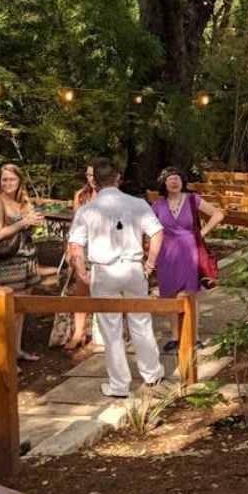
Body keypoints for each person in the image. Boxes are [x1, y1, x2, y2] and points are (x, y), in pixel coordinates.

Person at [67, 157, 165, 398]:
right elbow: (157, 232)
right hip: (133, 268)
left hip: (104, 270)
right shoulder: (137, 204)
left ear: (95, 182)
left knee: (110, 329)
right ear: (118, 177)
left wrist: (82, 272)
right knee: (141, 321)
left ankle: (119, 384)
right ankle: (152, 373)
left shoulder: (87, 210)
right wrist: (150, 263)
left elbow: (75, 246)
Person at [151, 167, 224, 352]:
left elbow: (218, 214)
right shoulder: (158, 205)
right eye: (170, 179)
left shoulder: (193, 200)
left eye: (177, 178)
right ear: (164, 184)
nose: (174, 182)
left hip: (189, 250)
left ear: (182, 182)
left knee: (190, 294)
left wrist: (202, 232)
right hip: (166, 253)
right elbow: (150, 229)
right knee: (170, 295)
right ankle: (175, 336)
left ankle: (193, 335)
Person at [0, 163, 44, 361]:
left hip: (27, 260)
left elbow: (26, 230)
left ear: (19, 181)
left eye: (12, 179)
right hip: (9, 263)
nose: (8, 183)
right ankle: (6, 357)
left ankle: (16, 351)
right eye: (4, 179)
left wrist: (33, 222)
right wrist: (21, 223)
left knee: (21, 309)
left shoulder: (23, 202)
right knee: (9, 310)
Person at [63, 165, 97, 350]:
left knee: (102, 290)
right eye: (89, 174)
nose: (92, 178)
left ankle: (102, 333)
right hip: (83, 245)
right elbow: (75, 224)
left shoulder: (110, 195)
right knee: (80, 288)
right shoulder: (81, 195)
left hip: (103, 247)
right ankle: (79, 332)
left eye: (95, 174)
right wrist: (70, 249)